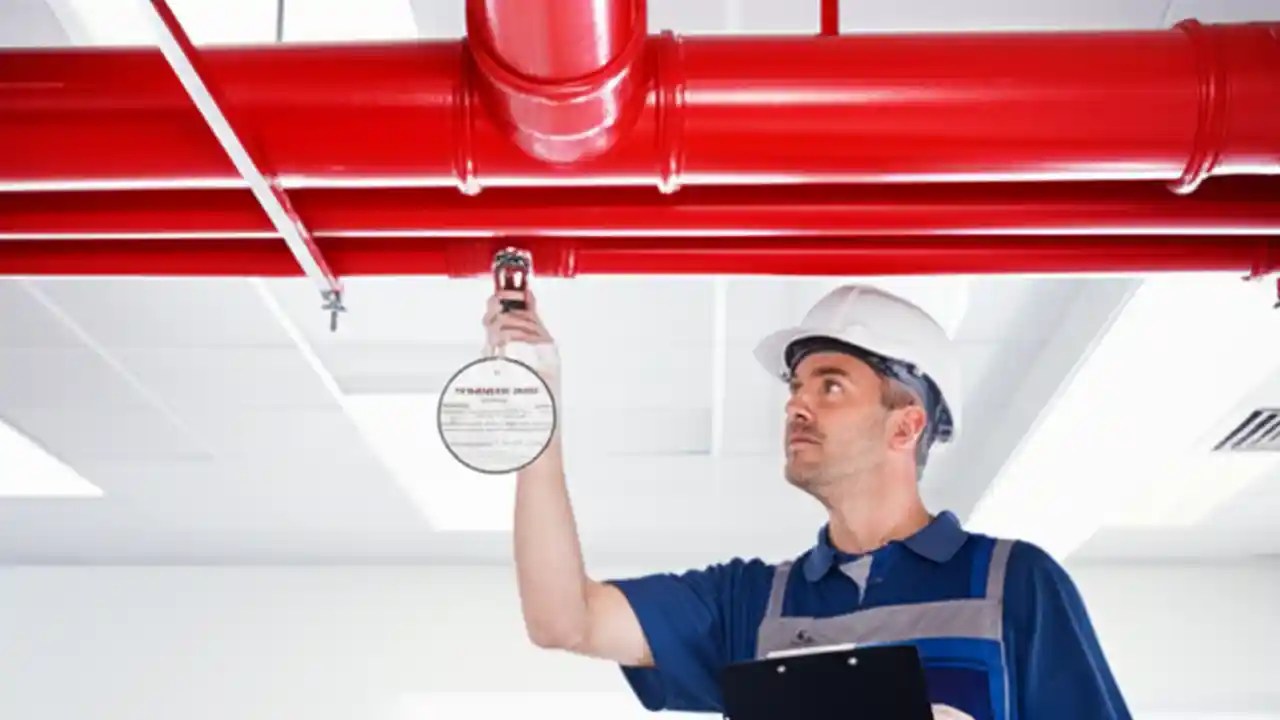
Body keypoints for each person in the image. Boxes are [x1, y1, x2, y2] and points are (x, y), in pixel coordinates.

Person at [484, 283, 1131, 719]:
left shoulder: (1014, 585)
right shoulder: (750, 604)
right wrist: (534, 399)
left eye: (830, 386)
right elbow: (562, 619)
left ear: (904, 427)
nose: (795, 403)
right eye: (796, 386)